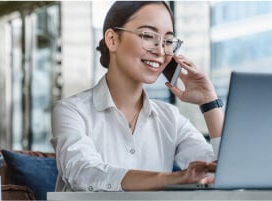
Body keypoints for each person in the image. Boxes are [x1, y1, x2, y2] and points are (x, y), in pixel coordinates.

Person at [51, 1, 224, 192]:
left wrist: (209, 102)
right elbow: (84, 174)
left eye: (167, 41)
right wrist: (173, 178)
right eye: (148, 36)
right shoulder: (71, 111)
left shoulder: (171, 118)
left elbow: (224, 172)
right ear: (112, 40)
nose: (159, 51)